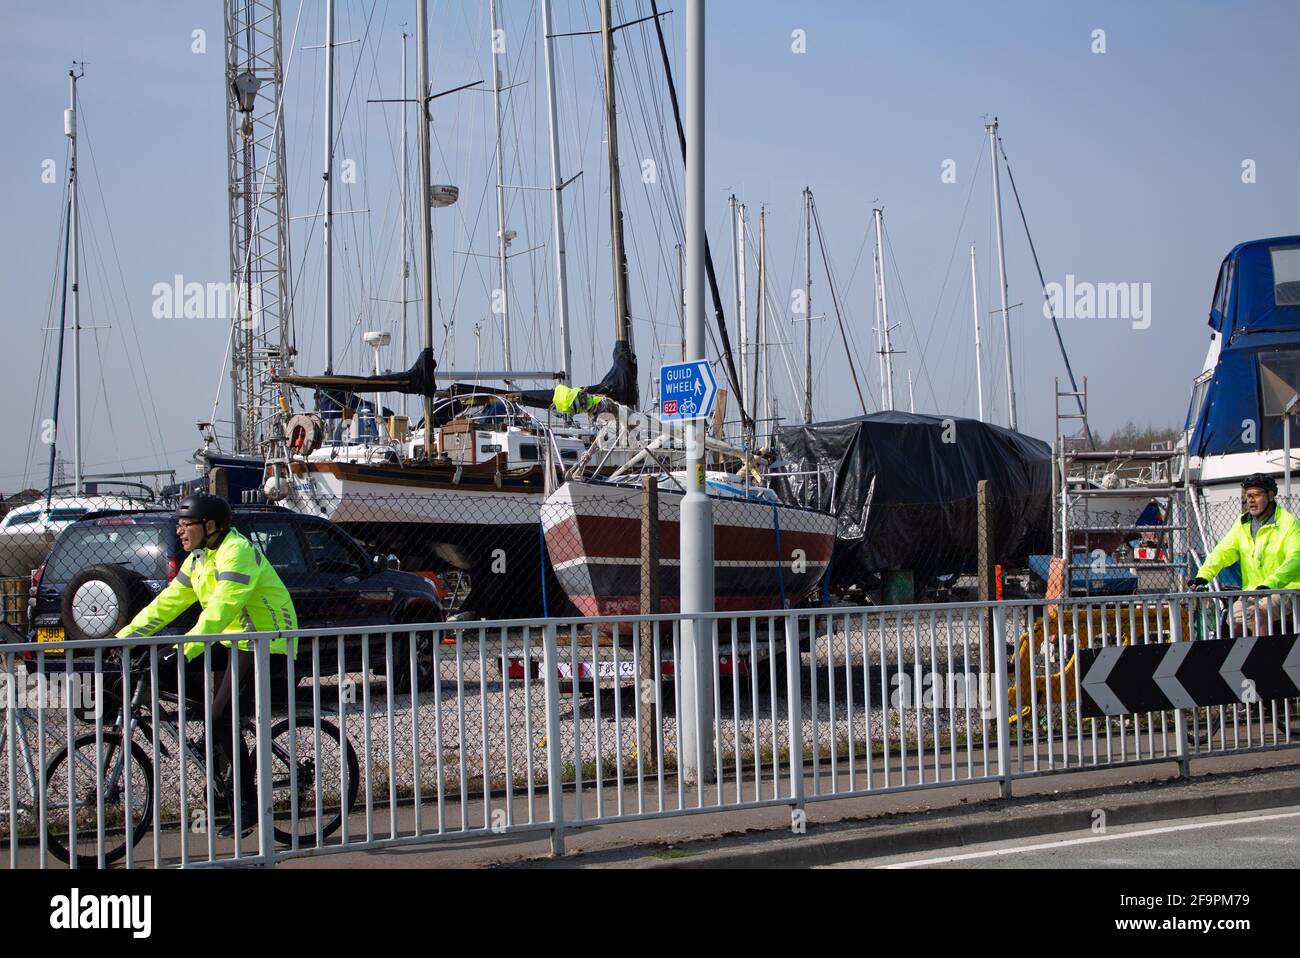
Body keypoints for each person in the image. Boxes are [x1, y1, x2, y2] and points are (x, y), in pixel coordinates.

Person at [116, 493, 298, 835]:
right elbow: (167, 603)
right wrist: (123, 639)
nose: (180, 532)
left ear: (209, 526)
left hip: (265, 639)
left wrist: (183, 650)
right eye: (178, 525)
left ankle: (246, 805)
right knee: (190, 696)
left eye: (186, 525)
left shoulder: (237, 551)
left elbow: (220, 609)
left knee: (220, 716)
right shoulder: (199, 558)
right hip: (230, 636)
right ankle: (215, 749)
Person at [1187, 474, 1300, 635]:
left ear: (1270, 496)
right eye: (1248, 496)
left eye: (1257, 495)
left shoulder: (1287, 523)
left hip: (1286, 589)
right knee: (1233, 621)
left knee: (1259, 613)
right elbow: (1222, 552)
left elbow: (1296, 559)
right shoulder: (1243, 523)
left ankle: (1261, 657)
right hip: (1254, 591)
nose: (1251, 500)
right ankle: (1239, 659)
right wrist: (1203, 575)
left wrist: (1270, 584)